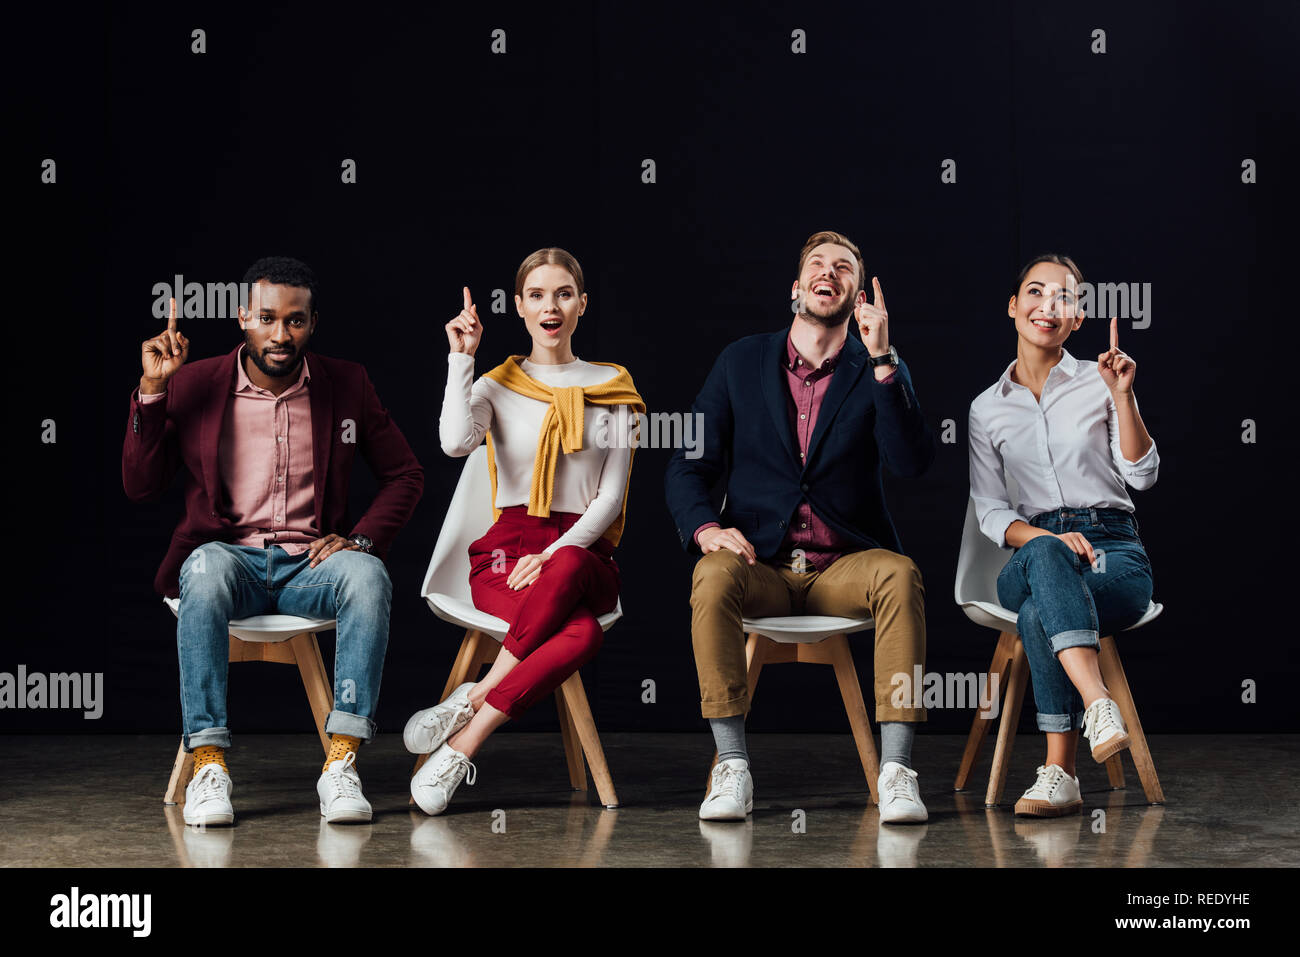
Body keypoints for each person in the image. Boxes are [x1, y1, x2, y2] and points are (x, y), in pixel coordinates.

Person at [122, 256, 424, 826]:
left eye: (295, 321)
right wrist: (153, 391)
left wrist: (360, 541)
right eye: (266, 318)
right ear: (242, 317)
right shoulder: (195, 383)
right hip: (227, 559)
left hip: (310, 564)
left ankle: (342, 762)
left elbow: (405, 474)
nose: (280, 335)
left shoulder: (347, 383)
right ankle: (209, 766)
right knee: (205, 570)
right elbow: (140, 487)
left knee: (368, 575)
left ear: (312, 323)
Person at [664, 230, 936, 824]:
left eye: (844, 268)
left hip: (842, 565)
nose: (829, 273)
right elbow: (687, 462)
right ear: (797, 288)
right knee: (710, 576)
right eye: (818, 264)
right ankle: (731, 765)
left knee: (900, 573)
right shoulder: (741, 361)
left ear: (858, 295)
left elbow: (911, 462)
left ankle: (896, 771)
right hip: (759, 564)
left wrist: (885, 359)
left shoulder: (878, 368)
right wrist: (707, 528)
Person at [408, 248, 645, 816]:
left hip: (585, 555)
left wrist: (556, 553)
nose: (550, 306)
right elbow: (453, 443)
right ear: (519, 306)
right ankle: (466, 742)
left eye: (563, 294)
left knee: (564, 569)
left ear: (582, 304)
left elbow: (609, 499)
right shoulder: (497, 384)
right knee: (582, 637)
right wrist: (460, 361)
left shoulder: (611, 385)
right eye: (536, 295)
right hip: (506, 552)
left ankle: (476, 698)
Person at [967, 253, 1158, 817]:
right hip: (1032, 550)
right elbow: (990, 512)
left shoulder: (1100, 383)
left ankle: (1060, 772)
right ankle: (1098, 702)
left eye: (1065, 298)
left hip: (1113, 551)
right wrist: (1043, 541)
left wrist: (1122, 394)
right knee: (1046, 559)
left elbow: (1143, 477)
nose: (1047, 306)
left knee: (1036, 616)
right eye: (1035, 292)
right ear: (1013, 306)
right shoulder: (985, 408)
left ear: (1078, 319)